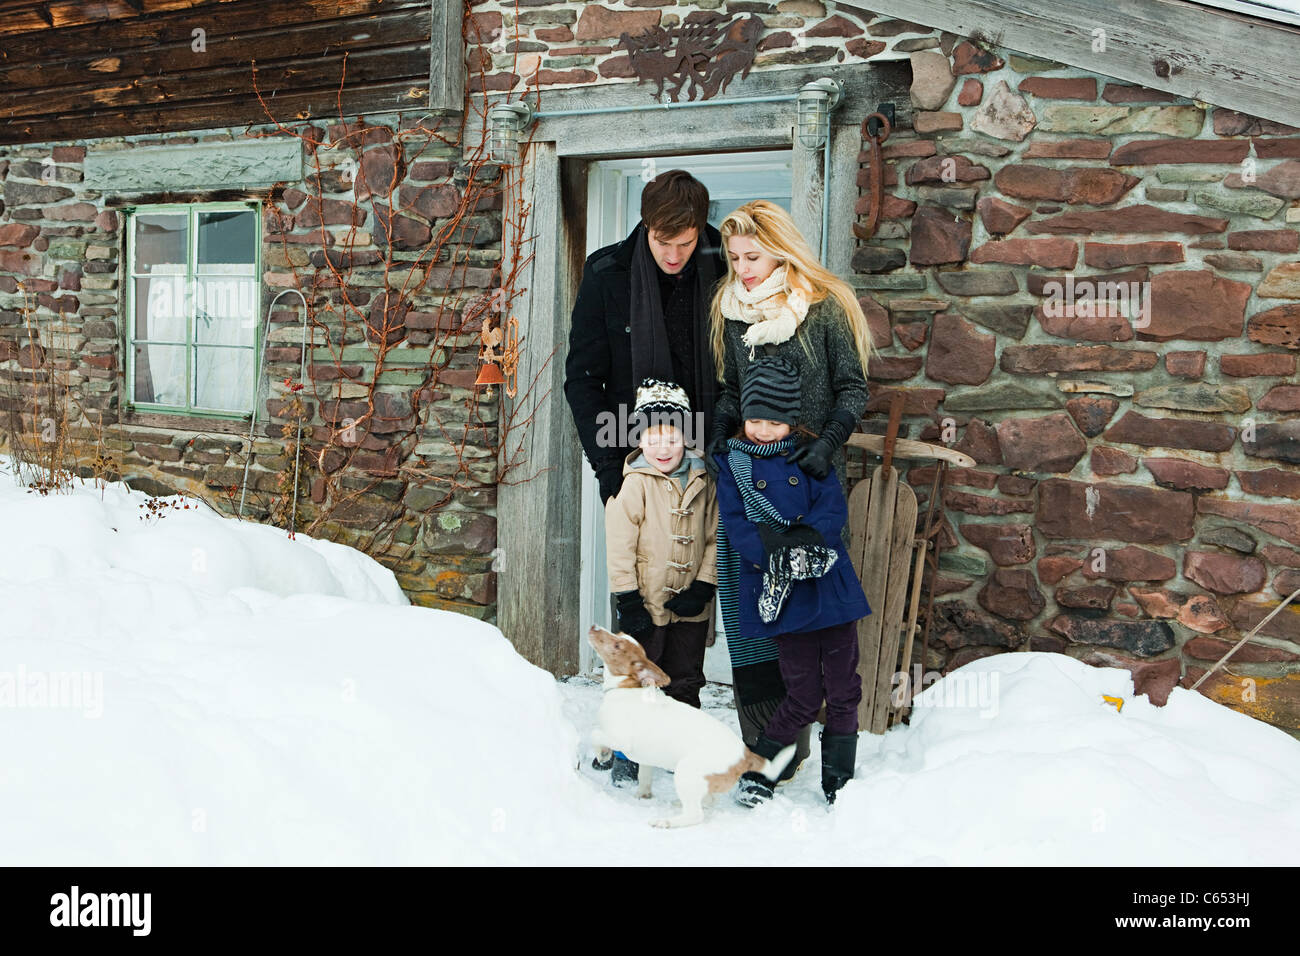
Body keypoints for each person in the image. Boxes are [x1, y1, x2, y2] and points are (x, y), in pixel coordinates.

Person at [705, 199, 874, 790]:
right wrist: (719, 438)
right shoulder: (731, 310)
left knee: (817, 606)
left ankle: (828, 765)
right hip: (752, 478)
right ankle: (771, 751)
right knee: (759, 609)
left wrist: (827, 442)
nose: (742, 268)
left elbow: (853, 389)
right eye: (733, 258)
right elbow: (731, 389)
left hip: (811, 481)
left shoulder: (823, 308)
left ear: (779, 249)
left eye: (752, 256)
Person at [713, 357, 870, 805]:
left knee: (843, 688)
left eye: (773, 421)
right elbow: (738, 524)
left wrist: (806, 544)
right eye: (755, 419)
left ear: (791, 420)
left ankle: (839, 781)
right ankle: (760, 769)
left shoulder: (809, 454)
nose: (763, 429)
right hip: (782, 591)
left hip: (827, 584)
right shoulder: (734, 466)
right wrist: (775, 557)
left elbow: (832, 509)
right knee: (802, 693)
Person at [564, 170, 726, 505]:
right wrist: (609, 468)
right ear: (645, 225)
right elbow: (583, 380)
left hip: (717, 463)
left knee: (718, 560)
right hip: (633, 463)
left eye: (685, 244)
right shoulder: (606, 274)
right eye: (662, 242)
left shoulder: (728, 269)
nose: (673, 256)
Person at [601, 379, 718, 786]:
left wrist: (704, 585)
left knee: (685, 676)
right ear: (640, 438)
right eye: (653, 436)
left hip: (690, 605)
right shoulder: (633, 482)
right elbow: (619, 543)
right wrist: (627, 598)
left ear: (686, 436)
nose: (663, 447)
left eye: (672, 436)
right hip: (645, 603)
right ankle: (626, 752)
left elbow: (714, 537)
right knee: (637, 677)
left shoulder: (705, 480)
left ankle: (678, 746)